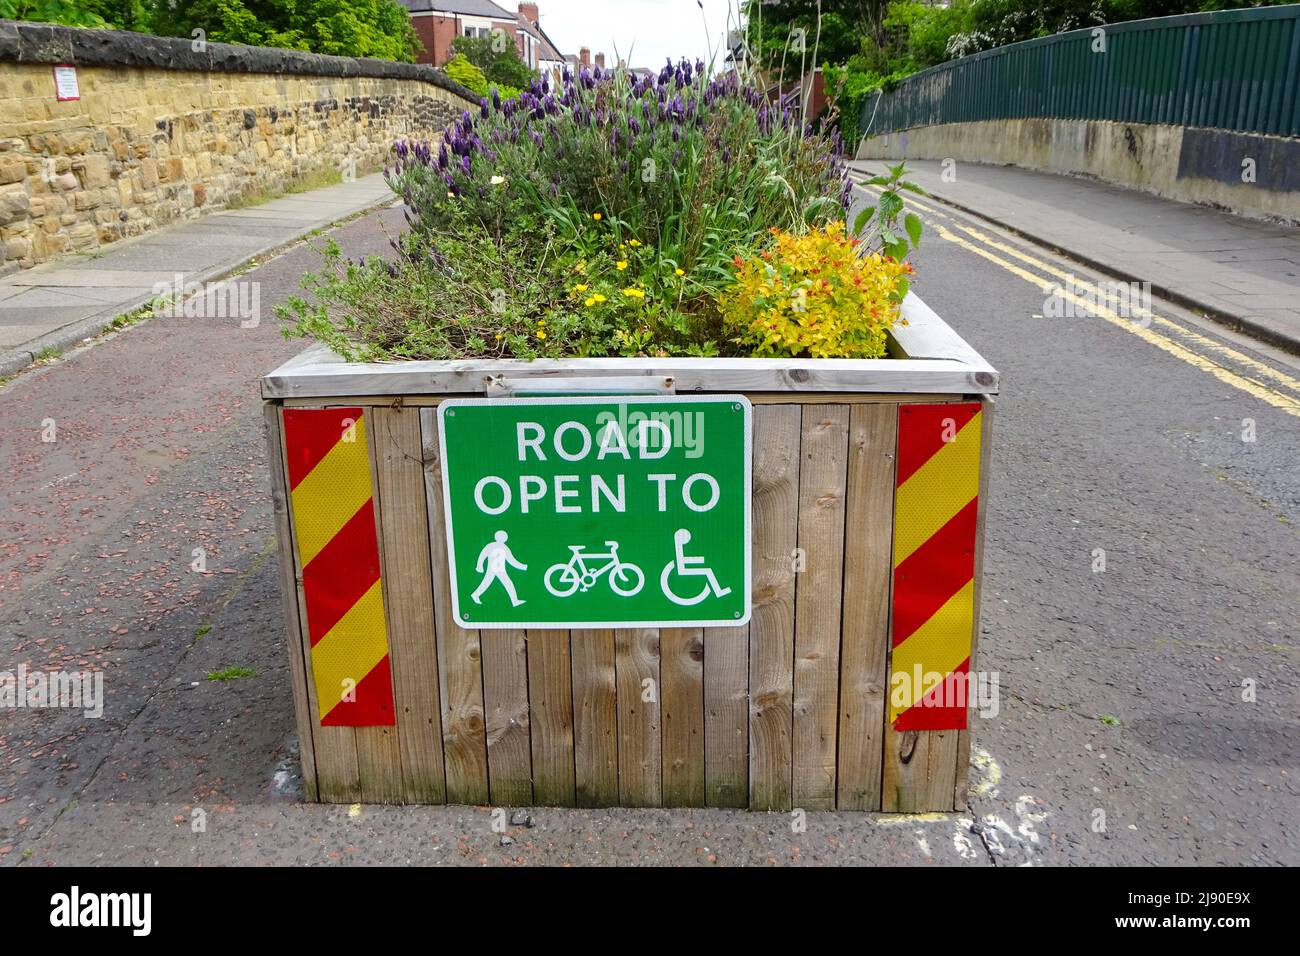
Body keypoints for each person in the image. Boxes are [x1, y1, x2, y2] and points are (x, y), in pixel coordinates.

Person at [670, 528, 730, 598]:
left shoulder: (679, 543)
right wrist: (699, 559)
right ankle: (718, 591)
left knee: (708, 571)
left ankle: (719, 591)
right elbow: (681, 559)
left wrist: (698, 559)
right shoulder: (678, 544)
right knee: (707, 571)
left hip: (683, 566)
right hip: (682, 568)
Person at [472, 530, 527, 606]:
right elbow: (482, 555)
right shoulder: (493, 546)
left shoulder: (502, 547)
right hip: (494, 570)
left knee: (504, 584)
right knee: (488, 583)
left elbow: (511, 560)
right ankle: (515, 601)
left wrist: (522, 566)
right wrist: (479, 566)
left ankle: (515, 601)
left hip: (499, 570)